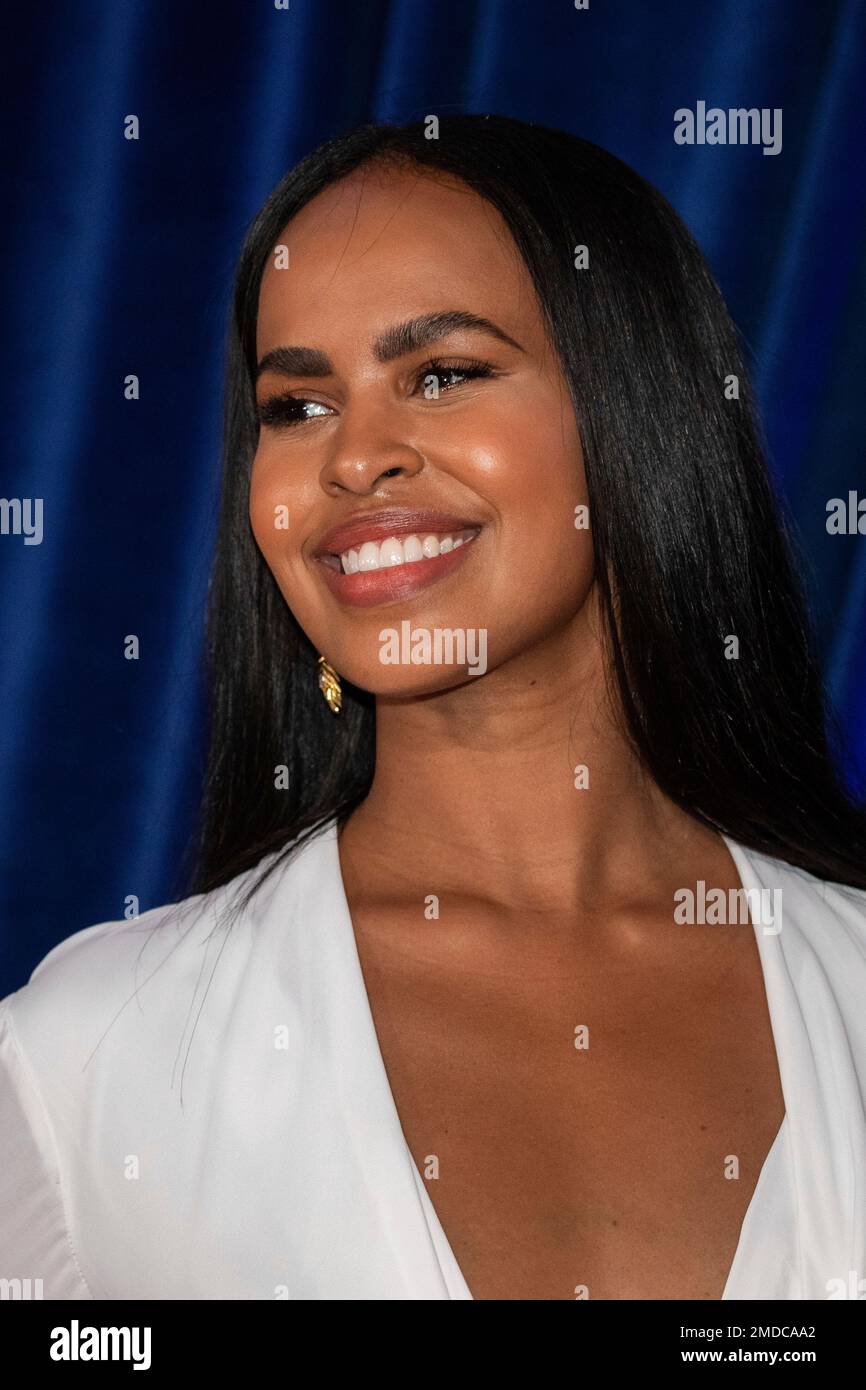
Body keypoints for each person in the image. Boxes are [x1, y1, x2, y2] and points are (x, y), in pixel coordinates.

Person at [2, 115, 865, 1301]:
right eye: (295, 405)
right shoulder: (84, 1061)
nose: (354, 458)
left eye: (442, 375)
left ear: (636, 406)